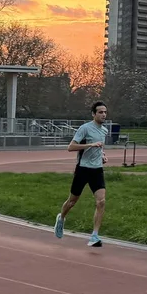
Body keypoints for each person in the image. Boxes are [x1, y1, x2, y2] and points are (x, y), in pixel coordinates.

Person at [55, 102, 108, 247]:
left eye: (105, 112)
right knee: (72, 201)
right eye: (100, 112)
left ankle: (94, 236)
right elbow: (70, 147)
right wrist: (90, 145)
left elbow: (100, 147)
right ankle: (61, 218)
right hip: (83, 169)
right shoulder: (84, 129)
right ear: (93, 114)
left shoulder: (104, 131)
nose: (103, 115)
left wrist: (102, 155)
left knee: (101, 201)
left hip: (97, 170)